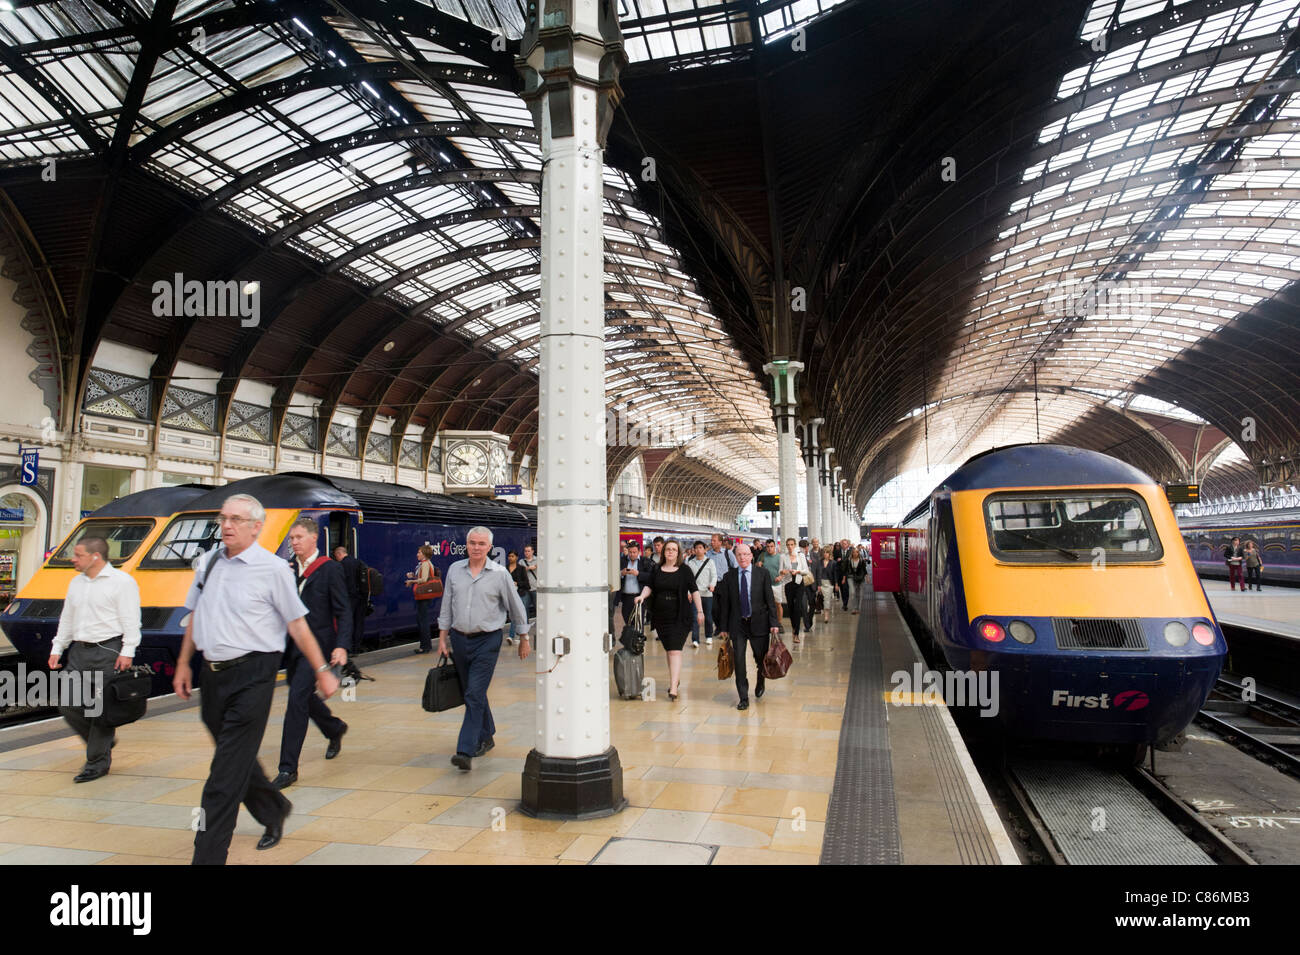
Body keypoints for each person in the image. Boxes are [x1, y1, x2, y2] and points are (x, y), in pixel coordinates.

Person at [174, 493, 339, 865]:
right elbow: (195, 615)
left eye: (236, 519)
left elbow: (297, 625)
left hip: (254, 676)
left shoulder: (273, 569)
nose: (227, 525)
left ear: (256, 527)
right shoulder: (208, 562)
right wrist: (184, 663)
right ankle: (273, 809)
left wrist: (322, 670)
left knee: (222, 778)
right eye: (223, 518)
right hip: (212, 676)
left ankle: (208, 857)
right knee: (236, 758)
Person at [48, 536, 141, 784]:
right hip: (79, 650)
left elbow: (132, 619)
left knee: (99, 708)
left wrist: (128, 650)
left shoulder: (122, 582)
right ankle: (103, 741)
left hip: (108, 650)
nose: (73, 559)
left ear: (95, 557)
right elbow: (67, 618)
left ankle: (96, 763)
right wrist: (58, 647)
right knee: (68, 704)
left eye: (78, 555)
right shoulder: (76, 583)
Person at [437, 527, 530, 771]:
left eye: (481, 544)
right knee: (472, 691)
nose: (476, 547)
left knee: (473, 693)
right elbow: (447, 603)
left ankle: (465, 749)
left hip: (487, 641)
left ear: (490, 547)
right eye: (472, 543)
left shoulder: (500, 574)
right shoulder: (455, 570)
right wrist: (442, 637)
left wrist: (524, 637)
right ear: (466, 544)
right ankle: (487, 734)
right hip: (459, 639)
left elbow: (516, 606)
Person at [275, 518, 351, 788]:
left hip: (318, 647)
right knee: (304, 697)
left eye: (298, 537)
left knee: (296, 701)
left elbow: (343, 610)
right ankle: (334, 728)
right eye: (291, 538)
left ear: (313, 539)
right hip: (292, 647)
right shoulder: (287, 570)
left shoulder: (329, 569)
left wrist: (341, 645)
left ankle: (288, 769)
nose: (293, 542)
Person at [633, 539, 704, 701]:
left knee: (674, 649)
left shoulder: (685, 570)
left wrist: (700, 611)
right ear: (663, 552)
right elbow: (649, 586)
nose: (670, 552)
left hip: (680, 615)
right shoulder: (657, 569)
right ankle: (675, 678)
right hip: (661, 616)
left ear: (678, 553)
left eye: (673, 549)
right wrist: (642, 596)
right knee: (669, 649)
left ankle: (673, 688)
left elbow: (694, 591)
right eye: (668, 549)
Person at [712, 543, 780, 711]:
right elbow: (725, 605)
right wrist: (723, 626)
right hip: (738, 625)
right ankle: (743, 697)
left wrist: (774, 623)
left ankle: (760, 679)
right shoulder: (729, 576)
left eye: (745, 554)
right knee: (739, 662)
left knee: (760, 658)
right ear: (736, 557)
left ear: (751, 556)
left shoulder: (762, 574)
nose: (742, 557)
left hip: (759, 623)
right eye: (739, 555)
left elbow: (770, 601)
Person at [333, 545, 367, 650]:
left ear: (339, 554)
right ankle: (357, 646)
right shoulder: (359, 562)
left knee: (348, 622)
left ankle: (348, 647)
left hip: (349, 598)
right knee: (359, 622)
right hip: (361, 597)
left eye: (336, 556)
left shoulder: (341, 565)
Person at [686, 540, 718, 648]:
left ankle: (709, 636)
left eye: (700, 547)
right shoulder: (690, 563)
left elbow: (714, 576)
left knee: (708, 617)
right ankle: (695, 639)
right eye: (696, 548)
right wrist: (689, 592)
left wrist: (712, 585)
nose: (698, 550)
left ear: (705, 550)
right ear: (694, 550)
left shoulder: (710, 562)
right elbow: (688, 580)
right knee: (695, 617)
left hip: (708, 594)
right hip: (695, 594)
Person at [406, 545, 437, 653]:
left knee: (422, 621)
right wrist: (413, 576)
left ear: (424, 554)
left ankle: (425, 646)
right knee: (422, 620)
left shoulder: (425, 564)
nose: (417, 554)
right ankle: (425, 645)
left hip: (424, 596)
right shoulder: (426, 564)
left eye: (419, 552)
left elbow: (423, 580)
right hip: (425, 596)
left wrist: (411, 581)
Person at [780, 538, 810, 644]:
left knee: (798, 607)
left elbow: (806, 571)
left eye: (792, 544)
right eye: (788, 544)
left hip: (799, 583)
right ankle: (794, 627)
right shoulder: (783, 557)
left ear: (795, 545)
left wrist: (797, 571)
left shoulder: (800, 556)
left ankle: (796, 634)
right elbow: (781, 570)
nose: (790, 546)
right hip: (788, 584)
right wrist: (783, 572)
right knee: (791, 608)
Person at [505, 550, 531, 646]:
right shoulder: (505, 569)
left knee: (518, 615)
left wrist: (517, 583)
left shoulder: (521, 569)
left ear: (516, 557)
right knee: (515, 616)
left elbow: (527, 584)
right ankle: (520, 635)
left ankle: (512, 636)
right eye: (509, 556)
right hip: (509, 594)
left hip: (520, 594)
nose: (510, 558)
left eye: (512, 556)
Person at [760, 539, 784, 627]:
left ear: (775, 547)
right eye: (768, 547)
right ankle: (767, 623)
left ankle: (779, 623)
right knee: (765, 605)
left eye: (771, 546)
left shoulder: (779, 557)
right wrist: (758, 565)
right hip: (765, 585)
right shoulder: (762, 556)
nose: (770, 548)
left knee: (778, 604)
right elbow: (757, 568)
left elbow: (783, 570)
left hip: (776, 584)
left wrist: (780, 577)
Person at [842, 547, 867, 613]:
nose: (855, 553)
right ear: (852, 553)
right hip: (850, 577)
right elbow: (845, 570)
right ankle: (854, 608)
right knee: (853, 592)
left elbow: (864, 569)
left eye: (856, 552)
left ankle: (858, 608)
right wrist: (844, 578)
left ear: (858, 553)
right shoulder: (849, 560)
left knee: (859, 594)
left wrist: (867, 577)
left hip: (860, 578)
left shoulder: (861, 560)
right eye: (853, 552)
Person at [816, 546, 836, 623]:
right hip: (820, 582)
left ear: (829, 553)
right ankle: (822, 611)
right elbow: (817, 574)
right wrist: (818, 584)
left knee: (827, 599)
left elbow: (835, 574)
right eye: (824, 552)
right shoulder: (819, 562)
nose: (825, 554)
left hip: (829, 583)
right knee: (820, 598)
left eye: (827, 552)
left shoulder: (833, 563)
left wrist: (836, 584)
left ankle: (826, 615)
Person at [521, 545, 539, 620]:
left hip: (536, 588)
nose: (527, 553)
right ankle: (525, 629)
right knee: (524, 609)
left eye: (528, 551)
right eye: (525, 551)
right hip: (526, 589)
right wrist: (529, 568)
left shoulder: (538, 560)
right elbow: (519, 571)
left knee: (539, 608)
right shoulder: (521, 561)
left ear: (532, 551)